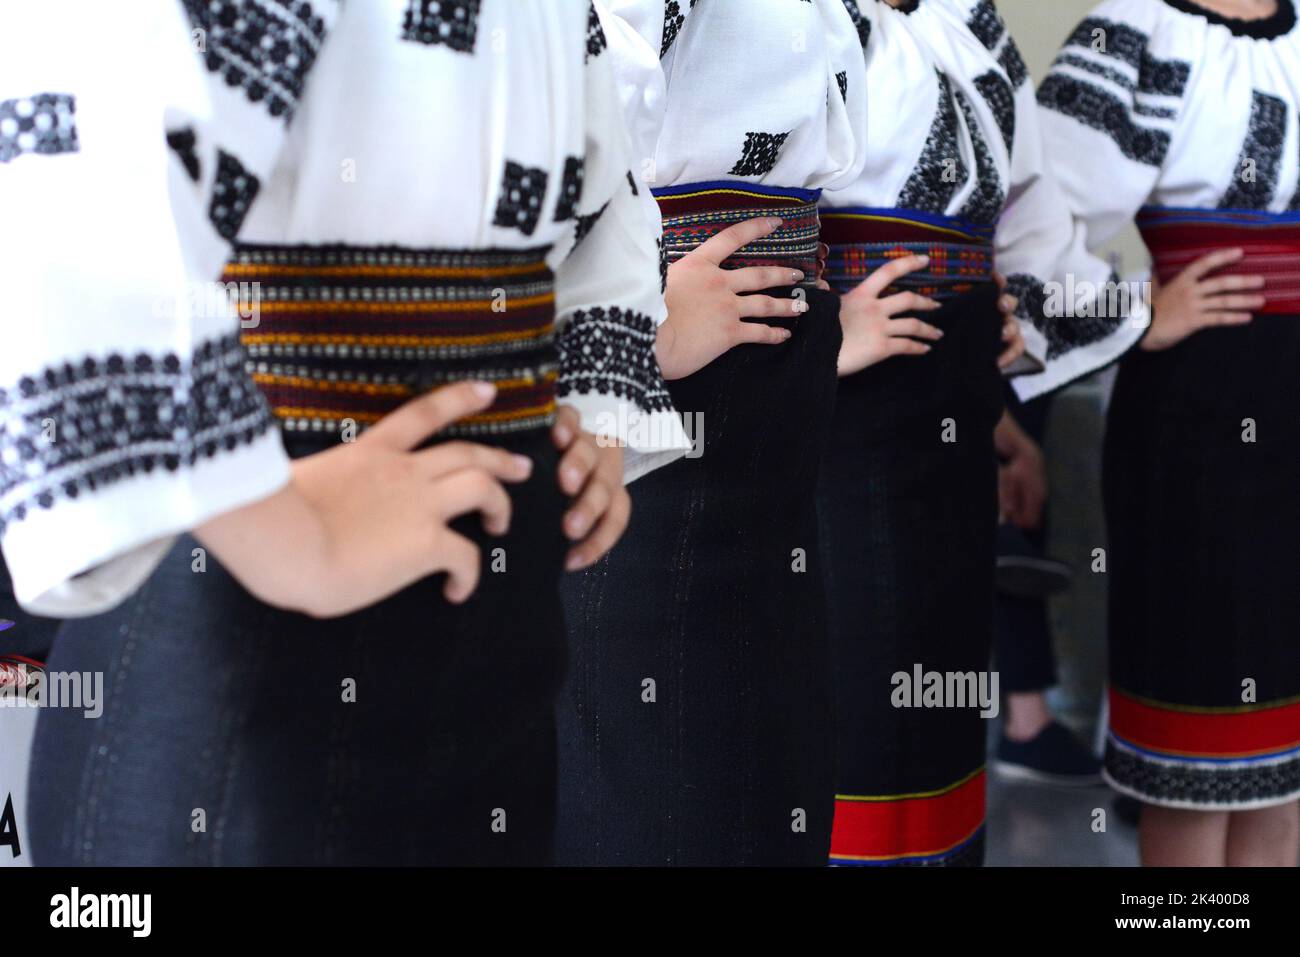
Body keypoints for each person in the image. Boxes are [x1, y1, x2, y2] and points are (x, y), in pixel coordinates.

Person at [2, 0, 684, 865]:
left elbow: (599, 196)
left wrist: (592, 409)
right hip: (248, 620)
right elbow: (78, 134)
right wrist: (288, 532)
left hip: (489, 640)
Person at [817, 0, 1140, 866]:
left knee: (942, 730)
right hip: (828, 427)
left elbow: (1027, 209)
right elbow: (678, 175)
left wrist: (1012, 340)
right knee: (851, 733)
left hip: (951, 414)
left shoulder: (971, 18)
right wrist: (822, 326)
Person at [556, 0, 874, 865]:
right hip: (675, 388)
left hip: (771, 394)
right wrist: (643, 321)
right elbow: (562, 107)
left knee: (768, 774)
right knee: (652, 789)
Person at [1028, 0, 1300, 866]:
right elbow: (1027, 212)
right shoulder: (1137, 29)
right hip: (1196, 427)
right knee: (1199, 745)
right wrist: (1138, 306)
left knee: (1284, 761)